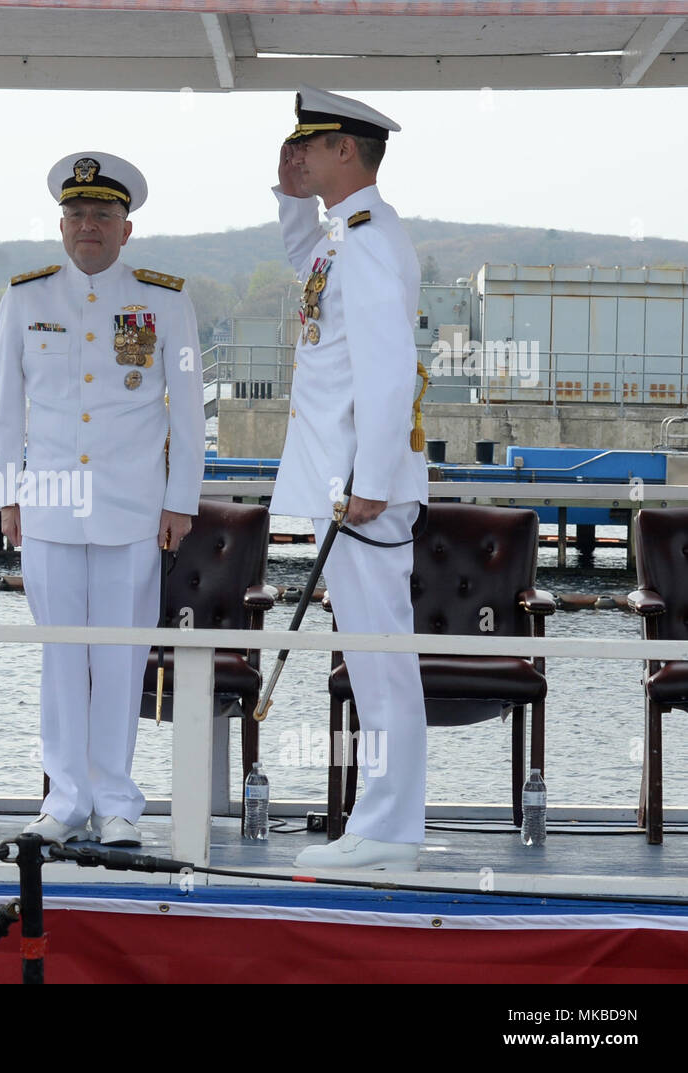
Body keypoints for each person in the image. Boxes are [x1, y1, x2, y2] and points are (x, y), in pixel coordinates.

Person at [0, 152, 205, 847]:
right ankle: (64, 799)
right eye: (79, 215)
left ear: (126, 228)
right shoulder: (24, 298)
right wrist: (8, 494)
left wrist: (181, 501)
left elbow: (189, 414)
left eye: (103, 216)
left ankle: (116, 800)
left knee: (120, 658)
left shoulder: (165, 301)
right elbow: (4, 409)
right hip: (49, 506)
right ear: (61, 225)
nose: (90, 226)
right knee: (60, 657)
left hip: (132, 509)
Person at [271, 86, 429, 870]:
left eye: (311, 144)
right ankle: (382, 820)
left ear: (345, 150)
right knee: (369, 656)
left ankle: (390, 826)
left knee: (380, 655)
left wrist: (371, 476)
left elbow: (389, 371)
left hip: (364, 487)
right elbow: (309, 274)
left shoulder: (366, 240)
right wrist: (290, 198)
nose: (300, 153)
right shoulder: (346, 234)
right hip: (349, 481)